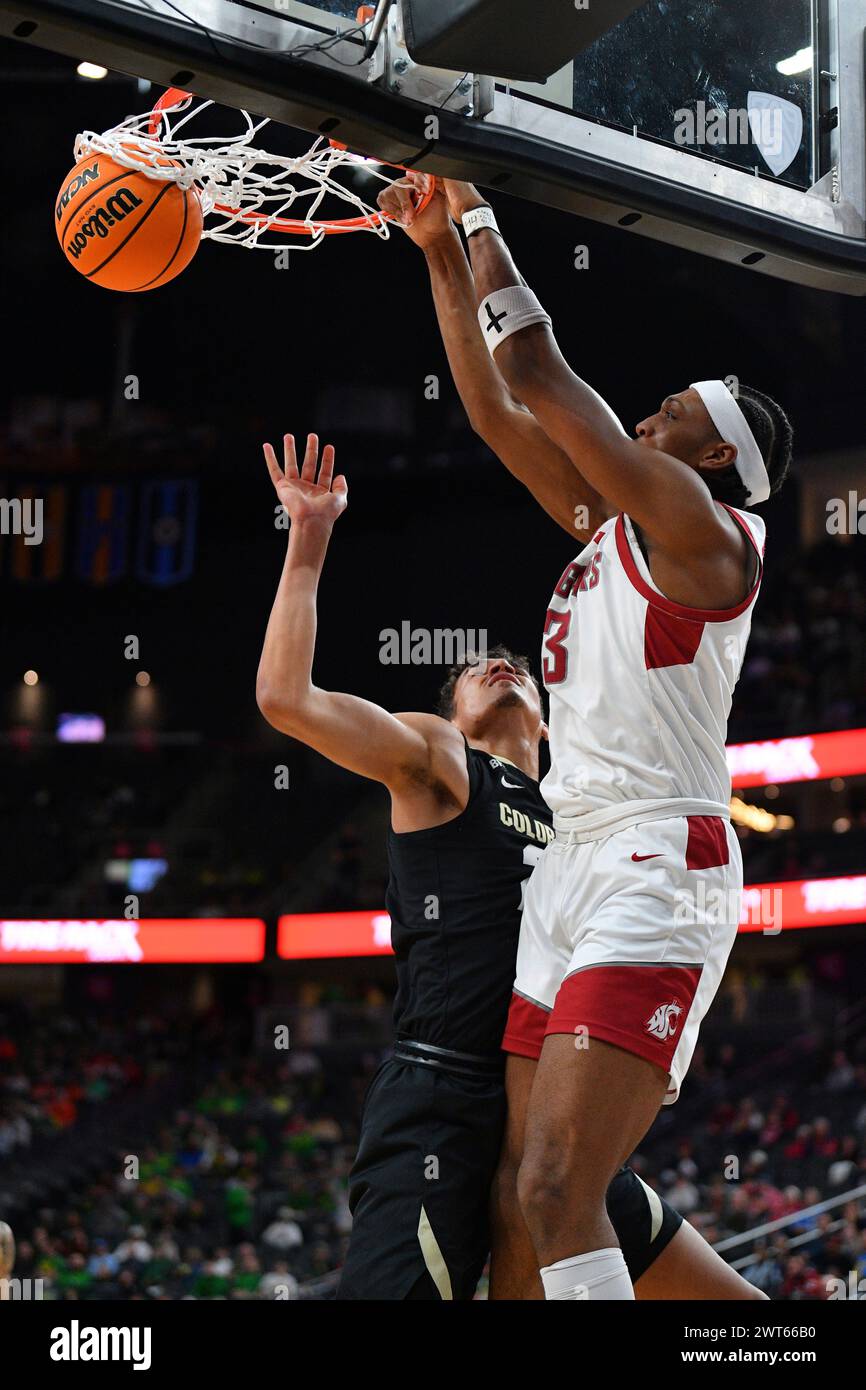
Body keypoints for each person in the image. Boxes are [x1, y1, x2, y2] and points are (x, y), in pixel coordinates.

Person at [377, 172, 784, 1299]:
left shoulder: (708, 540)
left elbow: (538, 373)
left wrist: (477, 209)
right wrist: (434, 253)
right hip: (569, 858)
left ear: (713, 461)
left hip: (660, 858)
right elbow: (495, 411)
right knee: (520, 1194)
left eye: (671, 415)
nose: (645, 417)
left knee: (559, 1183)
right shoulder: (608, 523)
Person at [256, 436, 688, 1299]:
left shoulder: (586, 813)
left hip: (554, 1104)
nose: (497, 663)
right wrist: (309, 538)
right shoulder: (446, 760)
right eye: (471, 672)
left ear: (550, 717)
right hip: (445, 1095)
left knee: (711, 1293)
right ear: (451, 710)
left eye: (517, 666)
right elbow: (286, 699)